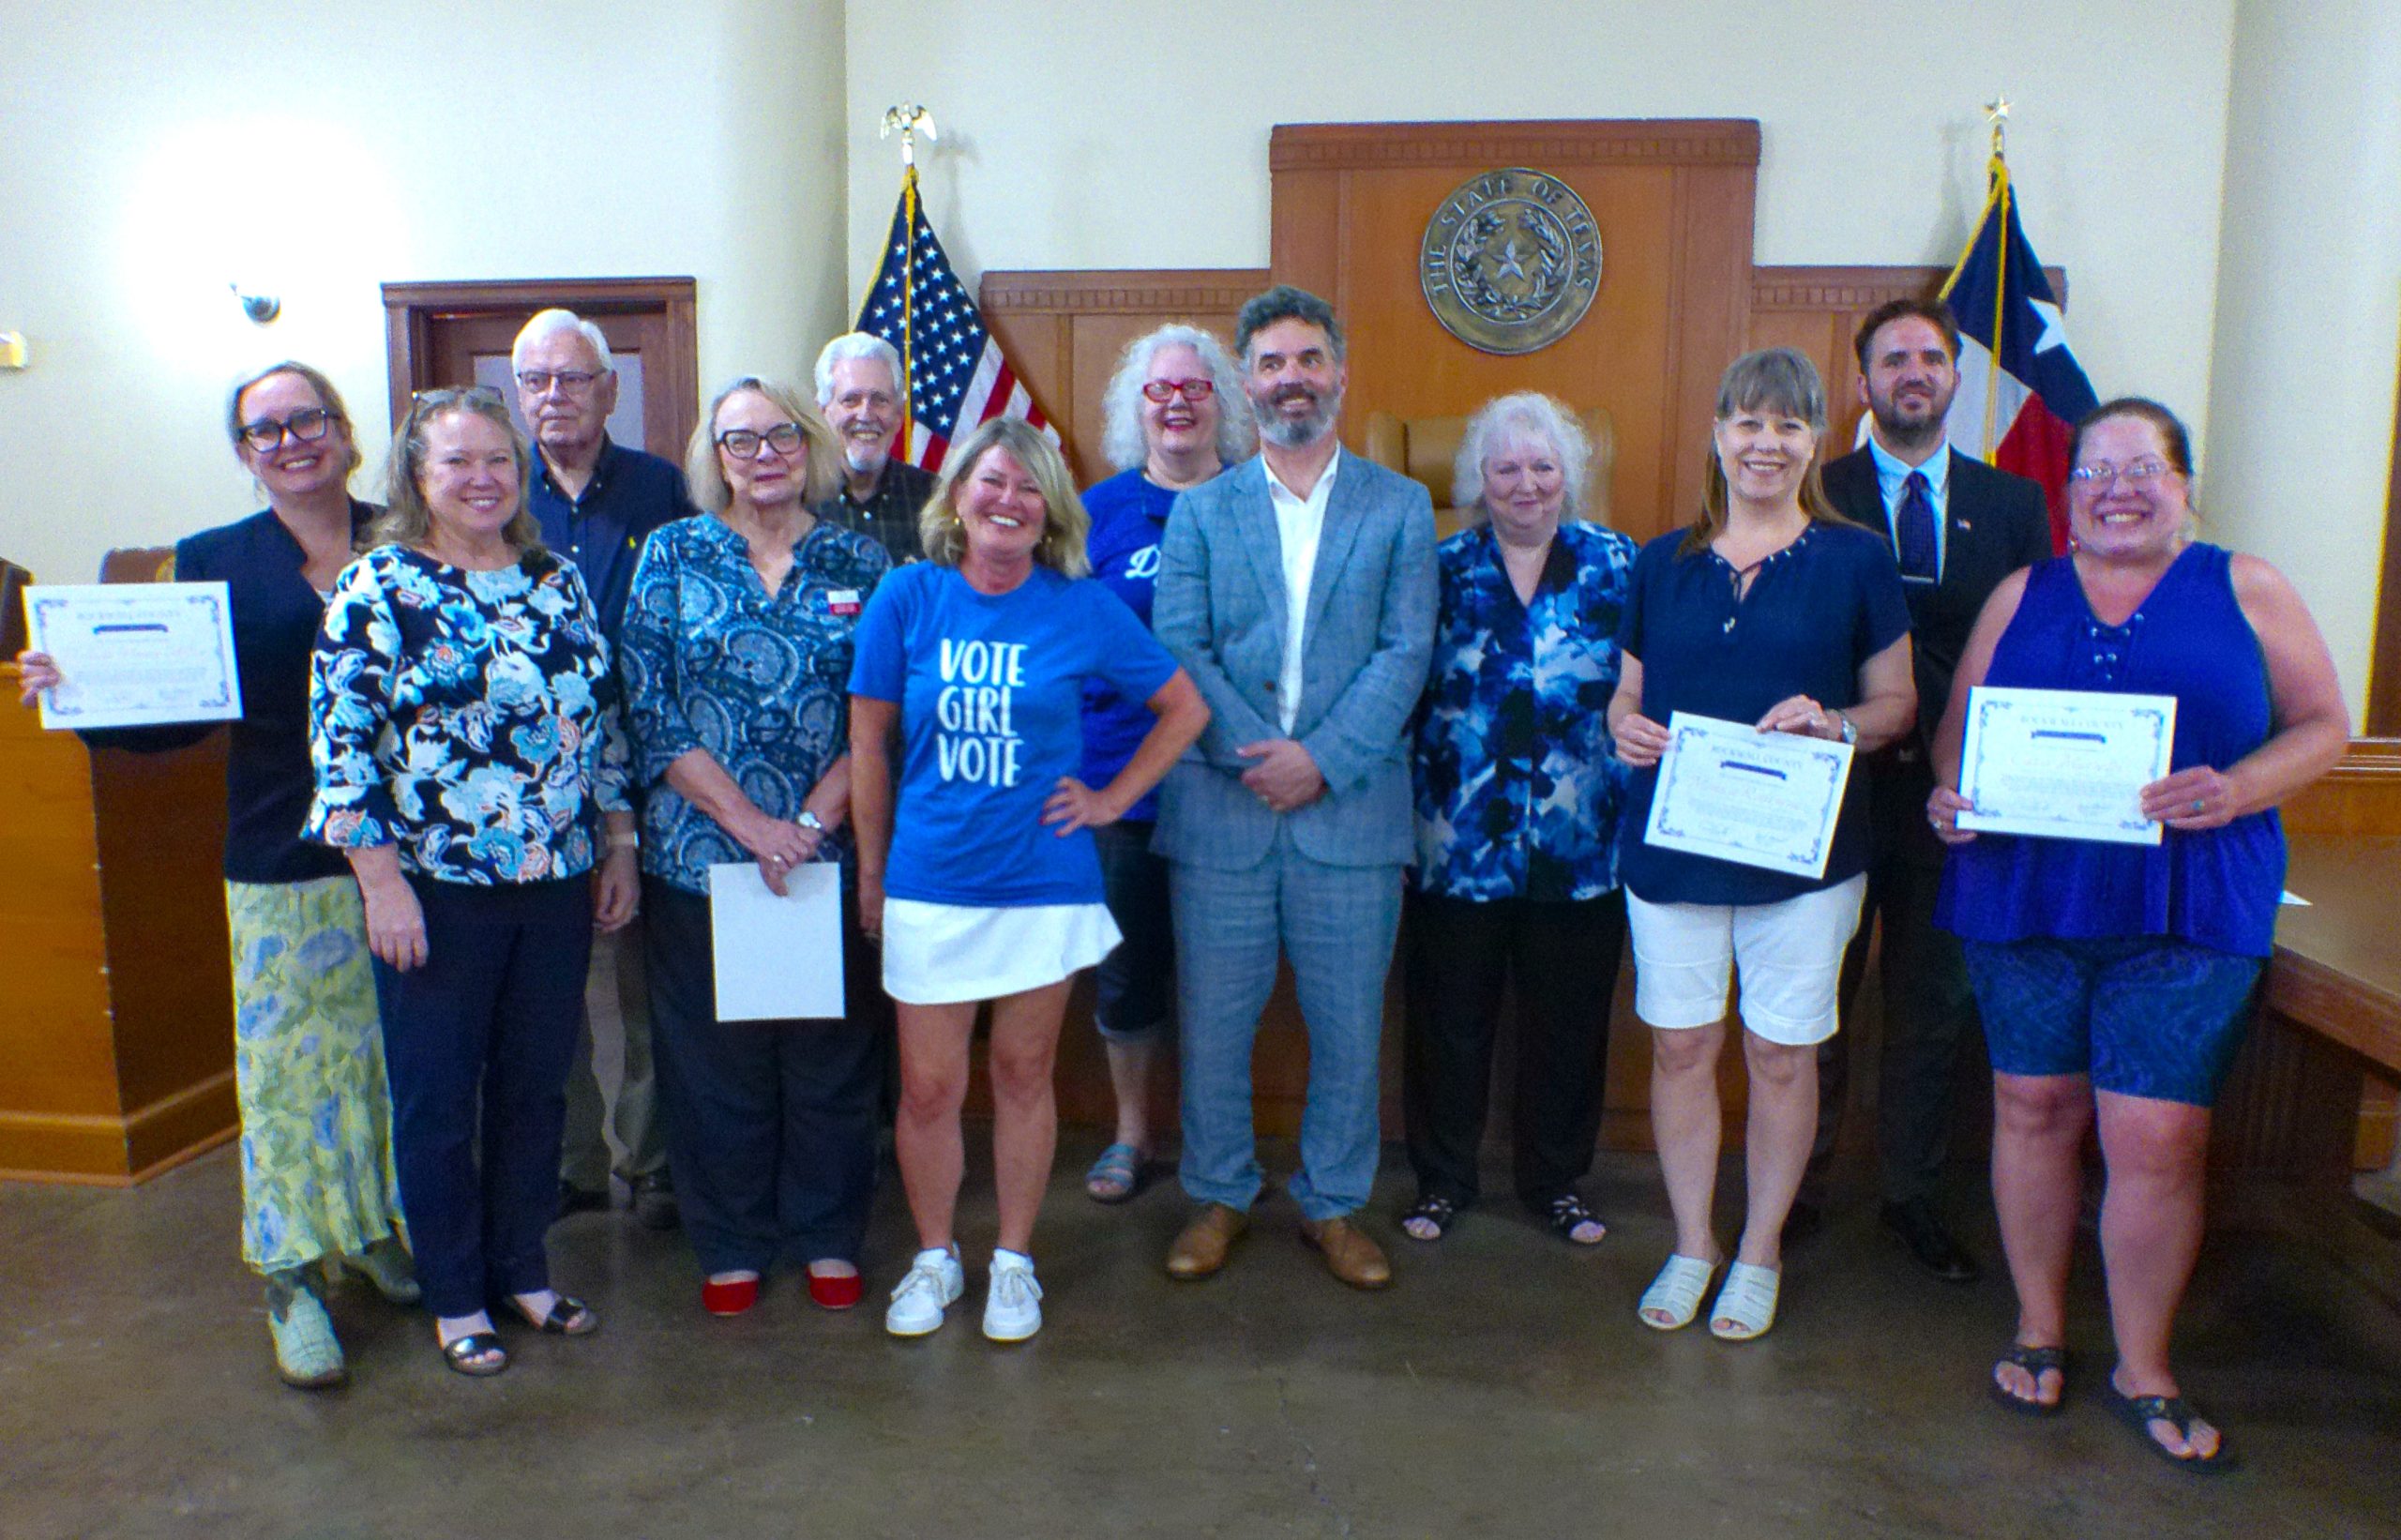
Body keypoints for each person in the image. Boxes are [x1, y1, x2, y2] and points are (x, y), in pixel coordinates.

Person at [1930, 398, 2347, 1469]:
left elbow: (2324, 725)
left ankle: (2143, 1365)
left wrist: (2240, 785)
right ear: (2065, 493)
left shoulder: (2244, 585)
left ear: (2184, 483)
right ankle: (2038, 1322)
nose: (2117, 486)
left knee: (2156, 1137)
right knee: (2032, 1106)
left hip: (2192, 899)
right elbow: (1956, 736)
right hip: (2025, 893)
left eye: (2142, 467)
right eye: (2094, 469)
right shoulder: (2023, 591)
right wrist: (1951, 795)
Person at [15, 362, 415, 1390]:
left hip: (416, 858)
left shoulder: (406, 535)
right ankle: (290, 1276)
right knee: (289, 1078)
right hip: (281, 851)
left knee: (386, 1066)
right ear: (245, 453)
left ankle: (373, 1230)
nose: (291, 440)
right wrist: (82, 691)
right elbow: (183, 708)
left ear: (345, 431)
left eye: (309, 419)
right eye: (265, 429)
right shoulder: (214, 560)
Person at [850, 416, 1208, 1342]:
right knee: (928, 1088)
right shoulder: (907, 596)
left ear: (1048, 508)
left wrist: (1107, 796)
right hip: (931, 876)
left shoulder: (1080, 605)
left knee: (1021, 1074)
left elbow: (1182, 707)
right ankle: (936, 1256)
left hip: (1042, 880)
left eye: (1027, 487)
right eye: (992, 482)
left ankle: (1013, 1259)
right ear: (958, 496)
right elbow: (867, 745)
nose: (1008, 501)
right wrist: (873, 873)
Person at [307, 385, 640, 1377]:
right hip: (436, 889)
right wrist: (381, 885)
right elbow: (342, 752)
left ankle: (522, 1270)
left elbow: (602, 723)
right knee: (437, 1097)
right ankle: (456, 1292)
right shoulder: (380, 586)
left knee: (537, 1090)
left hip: (555, 880)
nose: (482, 477)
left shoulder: (554, 578)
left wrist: (616, 839)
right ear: (417, 473)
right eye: (457, 461)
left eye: (498, 458)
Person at [1606, 348, 1915, 1341]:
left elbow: (1898, 705)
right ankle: (1694, 1239)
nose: (1764, 443)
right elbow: (1626, 688)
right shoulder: (1660, 562)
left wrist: (1836, 724)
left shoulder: (1857, 558)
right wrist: (1622, 724)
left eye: (1786, 425)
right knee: (1683, 1043)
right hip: (1674, 850)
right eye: (1746, 421)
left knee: (1782, 1058)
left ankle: (1759, 1250)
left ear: (1818, 438)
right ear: (1717, 433)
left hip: (1803, 859)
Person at [1152, 284, 1438, 1292]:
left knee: (1348, 1030)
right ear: (1246, 381)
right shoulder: (1199, 512)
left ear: (1341, 373)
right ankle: (1219, 1194)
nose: (1290, 378)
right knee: (1216, 1026)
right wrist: (1260, 753)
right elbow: (1177, 645)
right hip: (1220, 810)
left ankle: (1333, 1205)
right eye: (1271, 363)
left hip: (1350, 811)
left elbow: (1407, 651)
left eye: (1308, 359)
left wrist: (1321, 758)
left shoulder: (1399, 507)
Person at [618, 377, 891, 1318]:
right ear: (715, 456)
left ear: (809, 444)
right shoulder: (672, 554)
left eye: (781, 435)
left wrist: (808, 827)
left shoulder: (861, 562)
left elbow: (877, 717)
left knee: (828, 1059)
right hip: (702, 859)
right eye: (741, 440)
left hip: (826, 860)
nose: (763, 454)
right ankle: (731, 1241)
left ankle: (824, 1232)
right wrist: (751, 825)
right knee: (713, 1062)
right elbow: (648, 707)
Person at [1794, 299, 2052, 1280]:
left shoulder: (2015, 504)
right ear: (1861, 384)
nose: (1914, 371)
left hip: (1956, 805)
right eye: (1892, 358)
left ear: (1955, 380)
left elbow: (2028, 652)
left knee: (1931, 1009)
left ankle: (1910, 1198)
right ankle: (1796, 1192)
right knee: (1812, 1000)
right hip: (1832, 792)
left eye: (1931, 357)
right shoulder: (1817, 492)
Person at [1401, 392, 1638, 1247]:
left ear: (1568, 476)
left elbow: (1653, 687)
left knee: (1568, 1024)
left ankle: (1556, 1182)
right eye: (1506, 468)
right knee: (1447, 1021)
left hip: (1581, 849)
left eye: (1543, 467)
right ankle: (1442, 1180)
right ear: (1477, 480)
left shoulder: (1621, 565)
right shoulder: (1436, 567)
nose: (1527, 484)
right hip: (1455, 844)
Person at [513, 307, 699, 1231]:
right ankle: (573, 1161)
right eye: (538, 381)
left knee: (643, 983)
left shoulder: (663, 486)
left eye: (573, 378)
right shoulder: (497, 496)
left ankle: (650, 1160)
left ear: (610, 390)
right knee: (552, 982)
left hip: (653, 773)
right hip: (534, 783)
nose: (555, 396)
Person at [1075, 323, 1254, 1203]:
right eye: (1159, 389)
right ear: (1134, 407)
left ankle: (1224, 1149)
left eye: (1194, 387)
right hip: (1121, 786)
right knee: (1129, 970)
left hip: (1234, 781)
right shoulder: (1095, 512)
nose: (1177, 401)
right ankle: (1132, 1135)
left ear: (1223, 401)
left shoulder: (1262, 502)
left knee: (1228, 976)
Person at [814, 332, 936, 562]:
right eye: (850, 400)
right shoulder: (798, 498)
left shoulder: (935, 498)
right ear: (822, 412)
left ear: (899, 415)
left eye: (880, 400)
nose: (866, 414)